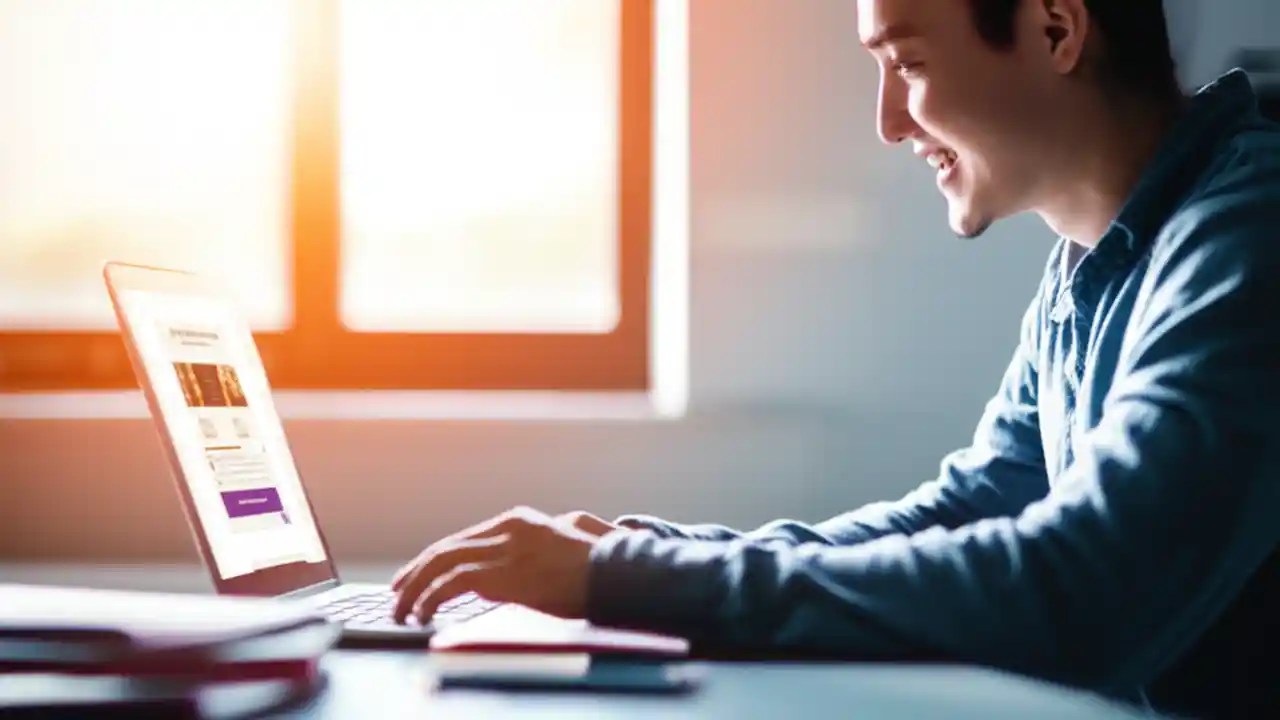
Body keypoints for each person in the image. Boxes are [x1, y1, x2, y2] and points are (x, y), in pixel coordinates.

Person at [391, 0, 1280, 715]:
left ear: (1055, 29)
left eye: (909, 64)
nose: (889, 123)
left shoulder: (1247, 231)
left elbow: (1085, 592)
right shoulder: (1094, 261)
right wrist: (645, 553)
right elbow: (967, 513)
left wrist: (631, 578)